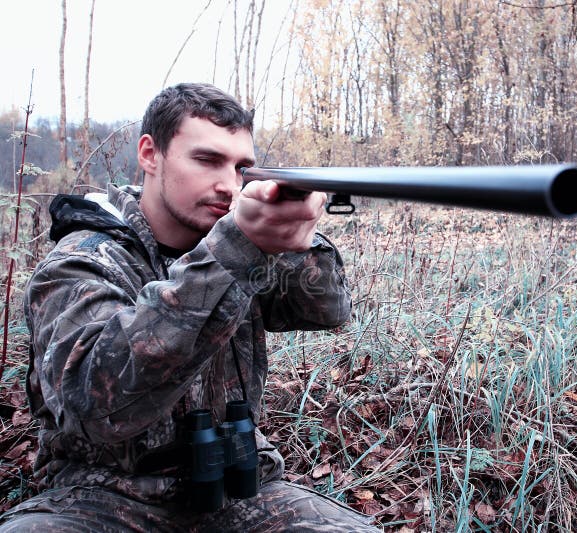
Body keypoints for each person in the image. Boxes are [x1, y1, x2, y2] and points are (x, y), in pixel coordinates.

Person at [0, 83, 380, 532]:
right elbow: (95, 406)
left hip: (240, 486)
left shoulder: (238, 240)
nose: (227, 184)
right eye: (206, 160)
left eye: (242, 167)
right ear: (149, 154)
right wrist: (232, 250)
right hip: (101, 496)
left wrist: (294, 229)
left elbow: (326, 310)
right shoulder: (81, 261)